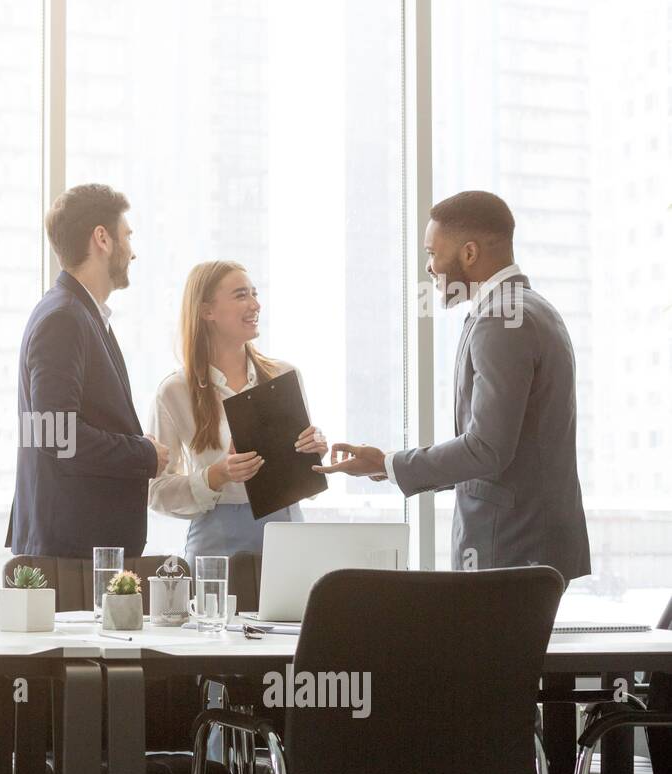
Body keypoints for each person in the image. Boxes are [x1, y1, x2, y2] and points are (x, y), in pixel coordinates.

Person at [316, 190, 591, 579]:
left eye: (432, 253)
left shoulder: (500, 320)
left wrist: (387, 463)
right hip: (530, 545)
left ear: (469, 253)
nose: (428, 268)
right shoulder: (533, 309)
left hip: (509, 548)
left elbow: (488, 449)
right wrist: (391, 466)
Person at [6, 183, 169, 558]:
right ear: (102, 238)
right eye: (127, 235)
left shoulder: (76, 314)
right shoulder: (64, 317)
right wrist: (144, 455)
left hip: (77, 544)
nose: (133, 251)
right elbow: (55, 435)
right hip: (72, 550)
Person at [149, 260, 327, 564]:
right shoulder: (174, 391)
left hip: (286, 531)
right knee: (215, 614)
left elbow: (305, 478)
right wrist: (215, 476)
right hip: (216, 541)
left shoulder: (285, 376)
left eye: (254, 294)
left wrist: (314, 453)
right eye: (241, 295)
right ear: (207, 311)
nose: (255, 304)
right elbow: (156, 492)